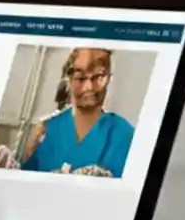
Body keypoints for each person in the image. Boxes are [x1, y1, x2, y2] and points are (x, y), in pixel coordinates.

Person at [21, 48, 135, 177]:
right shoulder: (46, 130)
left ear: (109, 77)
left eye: (99, 76)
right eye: (80, 78)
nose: (89, 87)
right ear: (68, 79)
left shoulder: (124, 134)